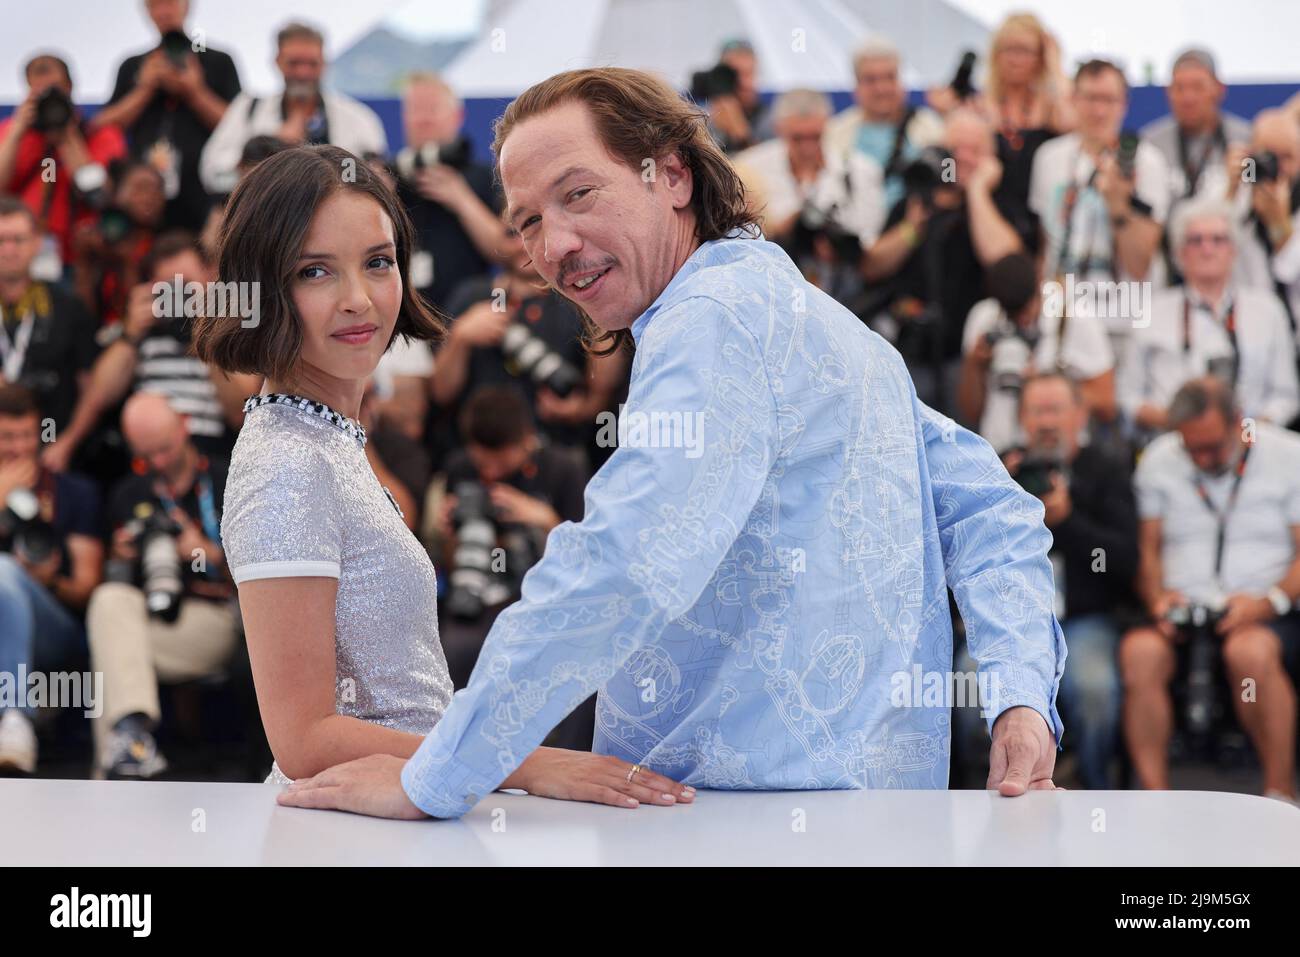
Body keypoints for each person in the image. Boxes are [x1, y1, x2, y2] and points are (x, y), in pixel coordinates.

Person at [276, 68, 1067, 821]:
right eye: (527, 223)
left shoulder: (711, 316)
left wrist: (436, 775)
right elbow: (991, 509)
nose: (554, 246)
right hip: (870, 820)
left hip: (723, 828)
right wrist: (1022, 696)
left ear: (675, 177)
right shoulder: (819, 323)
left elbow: (625, 559)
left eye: (578, 194)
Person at [193, 143, 693, 810]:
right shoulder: (287, 461)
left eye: (377, 262)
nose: (358, 299)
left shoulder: (321, 436)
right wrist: (525, 762)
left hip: (407, 812)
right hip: (353, 834)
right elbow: (304, 739)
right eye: (315, 271)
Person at [1121, 377, 1298, 800]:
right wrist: (1158, 599)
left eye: (1213, 447)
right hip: (1183, 609)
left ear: (1239, 422)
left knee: (1249, 652)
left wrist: (1267, 602)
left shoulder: (1288, 454)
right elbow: (1148, 549)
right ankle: (1154, 797)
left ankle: (1279, 792)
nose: (1202, 458)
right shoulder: (1160, 460)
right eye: (1191, 449)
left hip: (1263, 609)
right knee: (1138, 653)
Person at [86, 392, 238, 778]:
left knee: (112, 655)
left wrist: (208, 554)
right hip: (147, 616)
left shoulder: (230, 478)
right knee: (108, 599)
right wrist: (121, 559)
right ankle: (130, 744)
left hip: (214, 616)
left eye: (165, 449)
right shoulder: (128, 494)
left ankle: (112, 779)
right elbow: (114, 588)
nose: (158, 463)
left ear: (185, 424)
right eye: (145, 456)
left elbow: (268, 578)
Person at [1002, 374, 1138, 789]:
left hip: (1084, 618)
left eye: (1055, 410)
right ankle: (992, 787)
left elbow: (1125, 563)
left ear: (1079, 415)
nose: (1046, 422)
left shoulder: (1106, 469)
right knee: (970, 686)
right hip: (1015, 619)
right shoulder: (1000, 469)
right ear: (1022, 419)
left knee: (1096, 690)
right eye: (1037, 411)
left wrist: (1067, 522)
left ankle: (1098, 791)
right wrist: (1006, 500)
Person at [864, 108, 1037, 413]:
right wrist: (914, 226)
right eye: (956, 149)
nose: (964, 159)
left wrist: (977, 191)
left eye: (975, 151)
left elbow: (1005, 261)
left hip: (970, 357)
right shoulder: (915, 202)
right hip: (911, 353)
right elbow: (872, 267)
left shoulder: (999, 205)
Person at [47, 231, 261, 475]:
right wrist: (131, 334)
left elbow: (240, 414)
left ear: (210, 276)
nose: (179, 299)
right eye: (168, 290)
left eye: (187, 287)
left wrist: (207, 335)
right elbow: (99, 396)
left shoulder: (231, 326)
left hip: (209, 450)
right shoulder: (144, 328)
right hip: (146, 451)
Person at [1119, 197, 1299, 439]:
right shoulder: (1150, 311)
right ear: (1179, 253)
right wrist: (1180, 423)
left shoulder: (1267, 311)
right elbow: (1127, 396)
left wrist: (1243, 433)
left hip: (1251, 445)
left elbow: (1286, 396)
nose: (1207, 249)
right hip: (1172, 443)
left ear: (1234, 251)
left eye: (1218, 240)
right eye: (1196, 241)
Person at [1029, 59, 1168, 353]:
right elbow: (1046, 245)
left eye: (1108, 99)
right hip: (1058, 318)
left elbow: (1139, 264)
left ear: (1124, 104)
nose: (1099, 110)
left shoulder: (1148, 163)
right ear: (1074, 100)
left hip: (1124, 321)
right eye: (1090, 98)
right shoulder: (1049, 158)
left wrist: (1118, 204)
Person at [0, 384, 103, 773]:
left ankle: (15, 717)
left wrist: (49, 580)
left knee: (4, 570)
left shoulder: (73, 492)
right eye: (6, 438)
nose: (18, 448)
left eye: (27, 436)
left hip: (56, 629)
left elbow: (86, 589)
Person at [94, 0, 242, 231]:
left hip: (205, 190)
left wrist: (195, 91)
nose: (164, 12)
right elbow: (103, 126)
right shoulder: (133, 65)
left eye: (170, 3)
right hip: (145, 197)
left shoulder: (217, 61)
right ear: (147, 11)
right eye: (155, 5)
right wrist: (144, 88)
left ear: (187, 6)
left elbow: (238, 126)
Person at [198, 22, 387, 196]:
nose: (303, 73)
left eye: (312, 64)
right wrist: (267, 155)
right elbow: (212, 176)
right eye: (294, 63)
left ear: (324, 64)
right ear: (277, 61)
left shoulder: (358, 119)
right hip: (265, 226)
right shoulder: (248, 110)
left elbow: (379, 183)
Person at [732, 88, 884, 298]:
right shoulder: (748, 170)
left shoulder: (861, 171)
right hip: (771, 288)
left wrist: (839, 248)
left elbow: (870, 239)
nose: (807, 147)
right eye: (797, 138)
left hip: (845, 290)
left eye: (815, 137)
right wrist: (784, 230)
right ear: (779, 129)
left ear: (827, 127)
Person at [958, 252, 1115, 452]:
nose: (1021, 318)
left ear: (1040, 283)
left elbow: (1107, 404)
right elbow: (970, 412)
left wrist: (1045, 385)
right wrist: (975, 365)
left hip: (1057, 453)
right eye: (1012, 312)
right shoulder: (984, 318)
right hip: (998, 454)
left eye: (1025, 307)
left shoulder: (1075, 319)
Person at [927, 13, 1075, 215]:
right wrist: (948, 192)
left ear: (1041, 57)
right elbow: (946, 157)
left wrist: (1056, 67)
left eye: (1025, 51)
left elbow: (1074, 126)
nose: (1015, 60)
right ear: (995, 55)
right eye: (1008, 50)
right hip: (983, 211)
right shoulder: (976, 104)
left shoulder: (1051, 109)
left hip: (1039, 213)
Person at [0, 54, 127, 275]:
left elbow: (98, 193)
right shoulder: (12, 132)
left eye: (55, 90)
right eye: (38, 93)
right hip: (21, 256)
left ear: (69, 87)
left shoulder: (98, 133)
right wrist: (17, 130)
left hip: (83, 259)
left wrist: (68, 137)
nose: (48, 99)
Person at [392, 72, 507, 315]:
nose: (423, 119)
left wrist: (462, 200)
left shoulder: (486, 176)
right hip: (403, 317)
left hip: (467, 315)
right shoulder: (388, 180)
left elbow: (506, 252)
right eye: (415, 110)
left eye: (432, 109)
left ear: (457, 116)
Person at [1140, 49, 1251, 283]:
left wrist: (1237, 183)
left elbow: (1252, 198)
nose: (1188, 97)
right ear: (1168, 93)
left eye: (1198, 87)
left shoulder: (1246, 141)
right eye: (1179, 88)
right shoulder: (1149, 144)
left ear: (1218, 89)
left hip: (1232, 268)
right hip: (1168, 268)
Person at [0, 198, 99, 438]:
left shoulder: (69, 307)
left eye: (18, 240)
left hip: (52, 451)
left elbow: (91, 388)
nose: (9, 250)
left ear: (36, 243)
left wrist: (66, 446)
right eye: (1, 241)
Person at [824, 39, 944, 210]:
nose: (882, 88)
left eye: (889, 77)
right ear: (856, 85)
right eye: (871, 80)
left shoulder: (932, 127)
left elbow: (950, 181)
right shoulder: (834, 133)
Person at [1226, 108, 1300, 332]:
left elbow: (1289, 271)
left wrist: (1279, 222)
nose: (1277, 167)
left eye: (1287, 156)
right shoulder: (1236, 198)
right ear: (1250, 155)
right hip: (1247, 333)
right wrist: (1230, 191)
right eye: (1268, 155)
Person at [701, 38, 772, 155]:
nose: (745, 84)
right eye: (736, 76)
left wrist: (740, 132)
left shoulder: (771, 119)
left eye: (749, 74)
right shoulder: (703, 118)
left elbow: (768, 166)